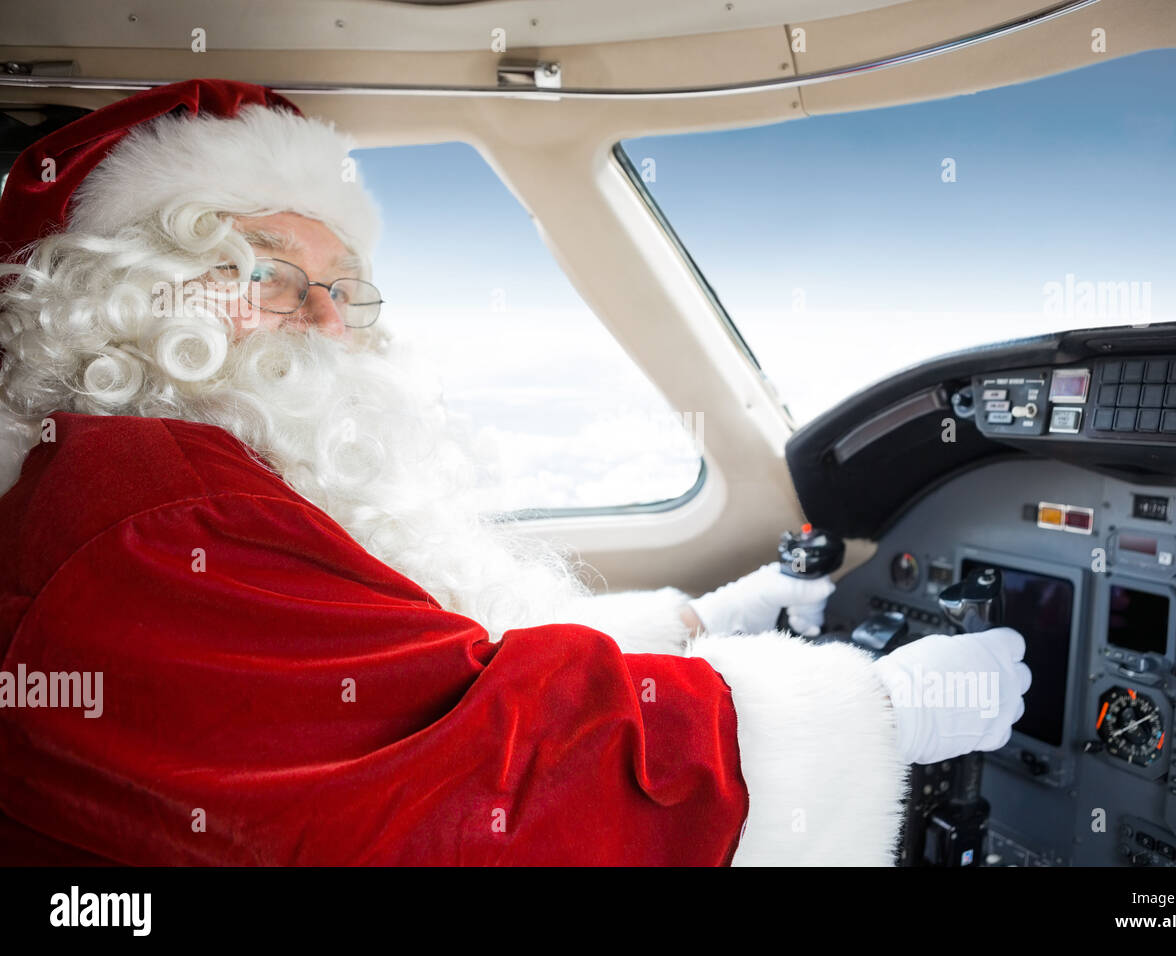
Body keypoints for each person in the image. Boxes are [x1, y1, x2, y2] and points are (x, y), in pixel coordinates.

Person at [0, 79, 1030, 865]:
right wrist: (875, 715)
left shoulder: (156, 471)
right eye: (270, 274)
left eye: (343, 288)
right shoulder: (155, 515)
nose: (325, 319)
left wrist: (697, 625)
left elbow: (424, 673)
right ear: (138, 297)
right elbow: (459, 797)